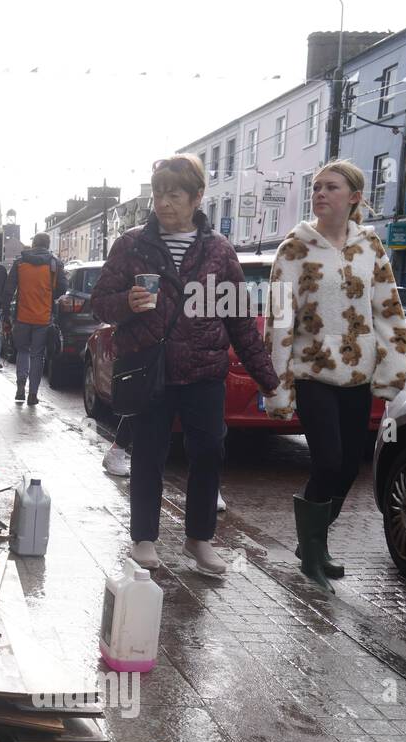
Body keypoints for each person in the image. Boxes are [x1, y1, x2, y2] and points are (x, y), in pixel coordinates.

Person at [91, 154, 278, 575]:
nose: (163, 202)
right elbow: (100, 302)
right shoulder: (131, 244)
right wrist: (126, 303)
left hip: (203, 372)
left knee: (209, 452)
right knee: (149, 455)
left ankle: (199, 540)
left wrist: (267, 379)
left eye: (173, 194)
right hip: (150, 368)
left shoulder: (219, 250)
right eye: (158, 193)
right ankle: (143, 539)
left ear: (196, 197)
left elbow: (239, 318)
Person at [264, 160, 406, 592]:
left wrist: (391, 367)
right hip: (313, 371)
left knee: (348, 468)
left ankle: (316, 542)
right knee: (327, 460)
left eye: (331, 187)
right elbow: (280, 318)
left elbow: (387, 309)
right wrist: (278, 384)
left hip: (358, 373)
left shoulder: (371, 245)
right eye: (316, 187)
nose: (321, 194)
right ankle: (310, 555)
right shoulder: (294, 247)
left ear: (355, 198)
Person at [4, 233, 66, 404]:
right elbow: (62, 288)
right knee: (37, 355)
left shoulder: (20, 262)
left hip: (22, 316)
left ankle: (20, 386)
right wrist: (48, 295)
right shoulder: (55, 263)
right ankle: (33, 393)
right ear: (47, 245)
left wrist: (5, 312)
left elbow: (9, 289)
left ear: (33, 244)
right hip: (44, 317)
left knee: (23, 351)